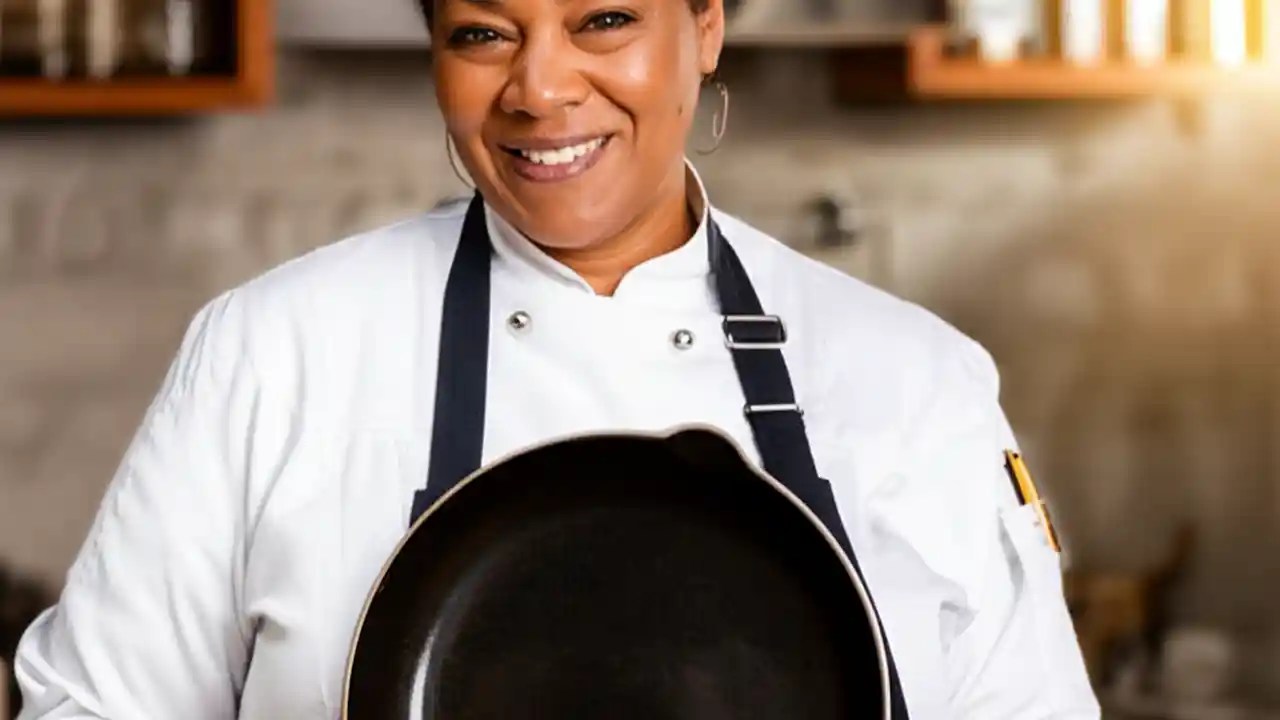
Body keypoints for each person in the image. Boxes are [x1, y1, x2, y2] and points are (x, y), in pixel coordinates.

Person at [13, 0, 1101, 717]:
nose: (538, 89)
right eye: (483, 33)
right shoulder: (275, 349)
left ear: (706, 26)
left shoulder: (913, 381)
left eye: (604, 20)